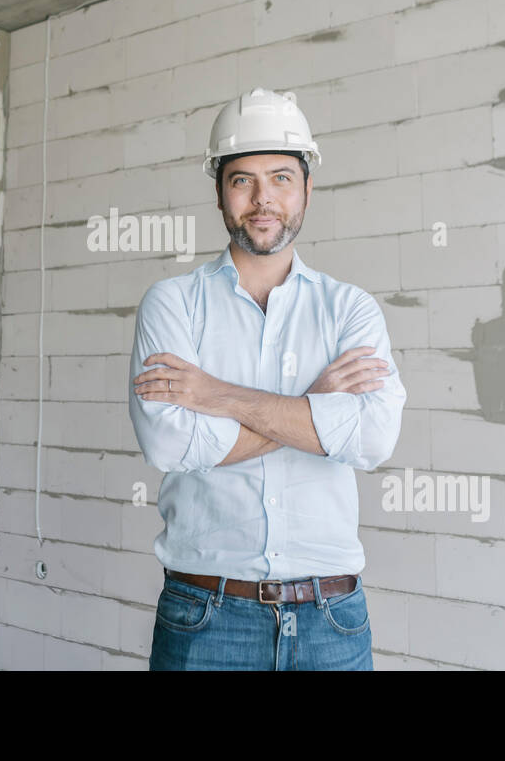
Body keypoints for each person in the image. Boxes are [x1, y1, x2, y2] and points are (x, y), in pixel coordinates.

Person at [128, 86, 407, 670]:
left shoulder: (350, 310)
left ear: (307, 187)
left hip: (331, 619)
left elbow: (372, 441)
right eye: (242, 180)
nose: (263, 199)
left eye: (281, 177)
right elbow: (172, 443)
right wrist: (314, 408)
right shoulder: (173, 305)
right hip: (205, 615)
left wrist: (215, 395)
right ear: (219, 191)